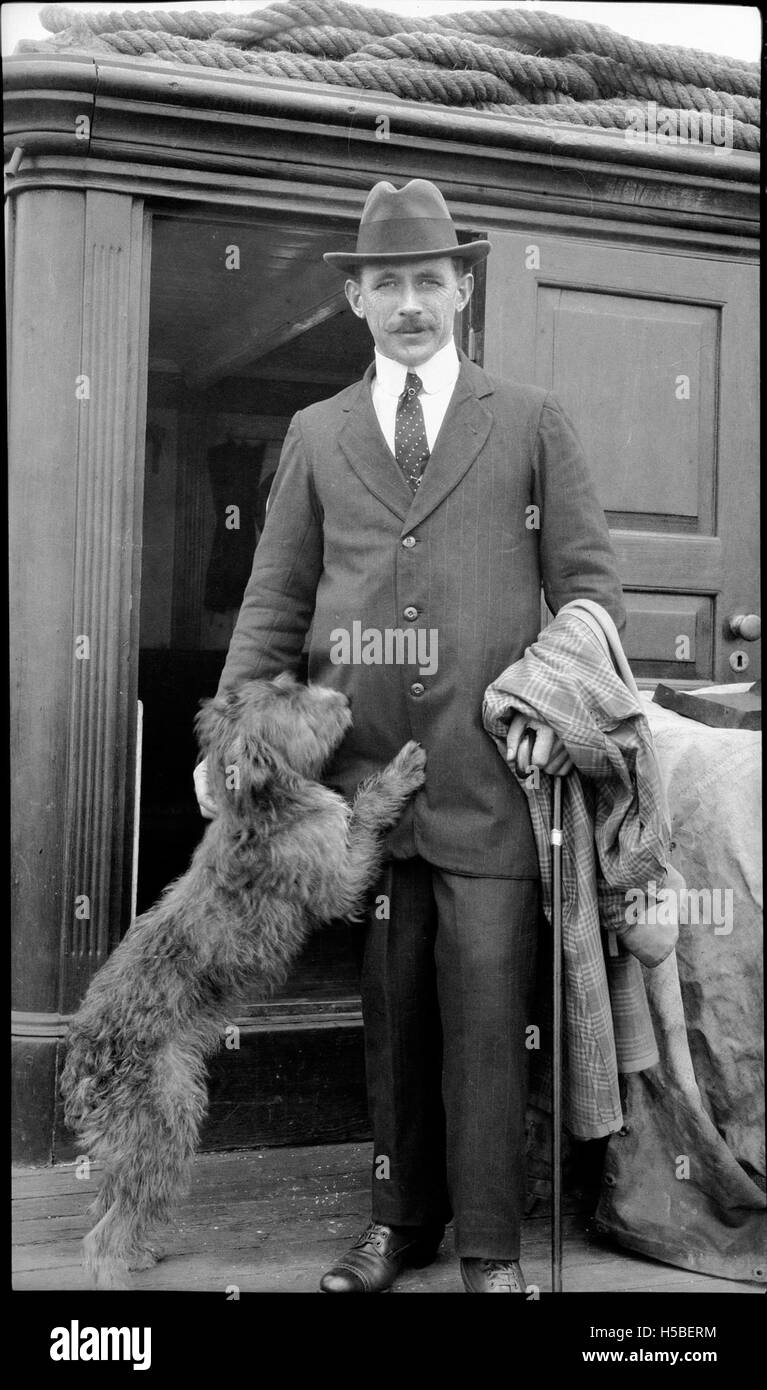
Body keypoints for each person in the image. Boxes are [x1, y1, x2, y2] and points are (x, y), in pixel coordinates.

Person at [194, 179, 625, 1293]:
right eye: (385, 283)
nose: (409, 303)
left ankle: (488, 1244)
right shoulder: (315, 433)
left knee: (488, 1009)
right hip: (357, 791)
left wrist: (550, 708)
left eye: (427, 280)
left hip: (490, 778)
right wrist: (230, 742)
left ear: (463, 288)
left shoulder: (529, 420)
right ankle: (400, 1222)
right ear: (355, 301)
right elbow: (272, 606)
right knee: (391, 1012)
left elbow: (587, 596)